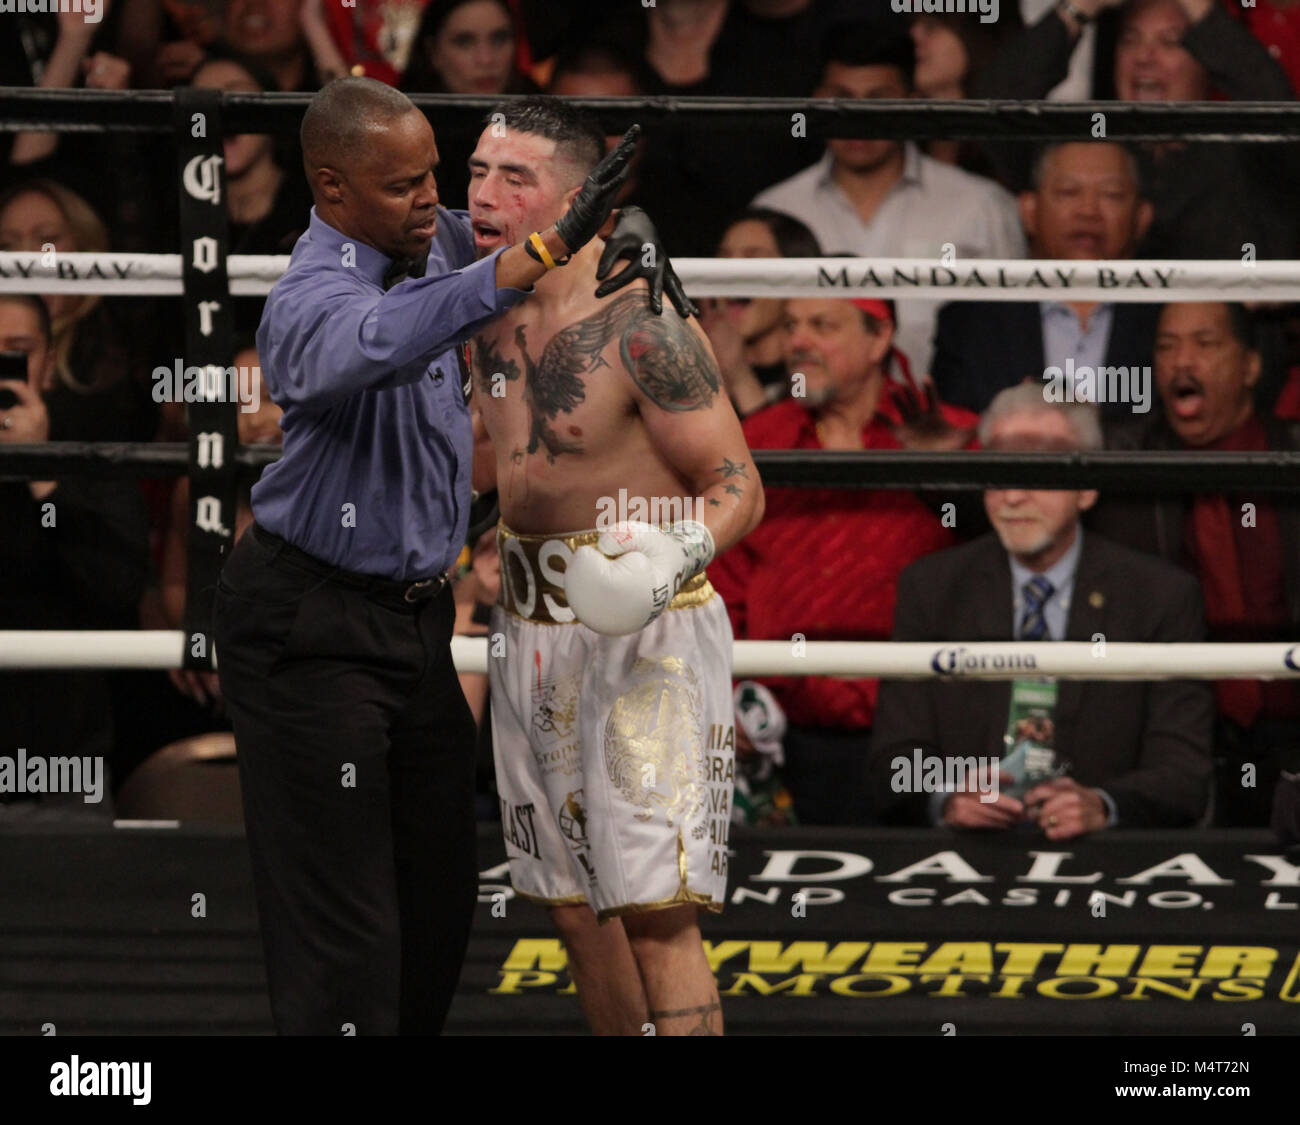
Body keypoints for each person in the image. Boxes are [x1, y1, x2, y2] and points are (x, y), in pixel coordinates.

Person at [211, 76, 685, 1036]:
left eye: (437, 175)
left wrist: (624, 231)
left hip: (419, 621)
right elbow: (387, 336)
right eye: (404, 186)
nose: (436, 200)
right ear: (334, 190)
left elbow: (542, 239)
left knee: (437, 909)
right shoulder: (310, 298)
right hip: (310, 623)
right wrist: (531, 260)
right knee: (345, 930)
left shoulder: (436, 242)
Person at [467, 96, 761, 1036]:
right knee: (571, 904)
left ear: (577, 196)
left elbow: (738, 484)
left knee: (654, 914)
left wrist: (666, 556)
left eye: (516, 177)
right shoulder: (474, 298)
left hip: (645, 633)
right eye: (476, 170)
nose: (484, 193)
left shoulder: (642, 320)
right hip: (527, 626)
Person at [868, 384, 1214, 834]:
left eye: (1035, 470)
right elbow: (892, 762)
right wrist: (948, 797)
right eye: (999, 471)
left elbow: (1184, 774)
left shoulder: (1160, 597)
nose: (1012, 497)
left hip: (1107, 868)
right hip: (966, 862)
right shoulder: (931, 588)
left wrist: (1104, 805)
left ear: (1087, 488)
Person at [708, 296, 977, 827]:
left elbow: (994, 567)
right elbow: (720, 583)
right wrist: (723, 696)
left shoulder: (949, 435)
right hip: (772, 740)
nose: (798, 341)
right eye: (791, 325)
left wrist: (948, 475)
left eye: (822, 325)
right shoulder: (754, 442)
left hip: (922, 738)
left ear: (880, 340)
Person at [1092, 301, 1300, 828]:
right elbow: (1010, 499)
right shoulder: (1122, 461)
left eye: (1205, 344)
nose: (1182, 362)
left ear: (1251, 366)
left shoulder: (1292, 455)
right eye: (1166, 346)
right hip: (1176, 745)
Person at [751, 22, 1025, 379]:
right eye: (841, 100)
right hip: (805, 428)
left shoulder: (982, 206)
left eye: (879, 100)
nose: (858, 117)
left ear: (912, 103)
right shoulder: (775, 211)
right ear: (816, 101)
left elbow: (1016, 337)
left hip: (950, 426)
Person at [0, 293, 150, 821]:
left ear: (47, 355)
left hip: (61, 752)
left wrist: (41, 472)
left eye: (17, 349)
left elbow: (118, 589)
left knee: (71, 899)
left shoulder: (92, 450)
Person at [930, 141, 1159, 418]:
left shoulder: (1171, 322)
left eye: (1111, 195)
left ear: (1142, 217)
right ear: (1028, 210)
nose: (1088, 211)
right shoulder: (968, 324)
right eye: (1068, 192)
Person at [697, 208, 822, 418]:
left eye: (753, 258)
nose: (731, 273)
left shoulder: (811, 367)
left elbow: (794, 446)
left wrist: (739, 378)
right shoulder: (691, 364)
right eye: (724, 257)